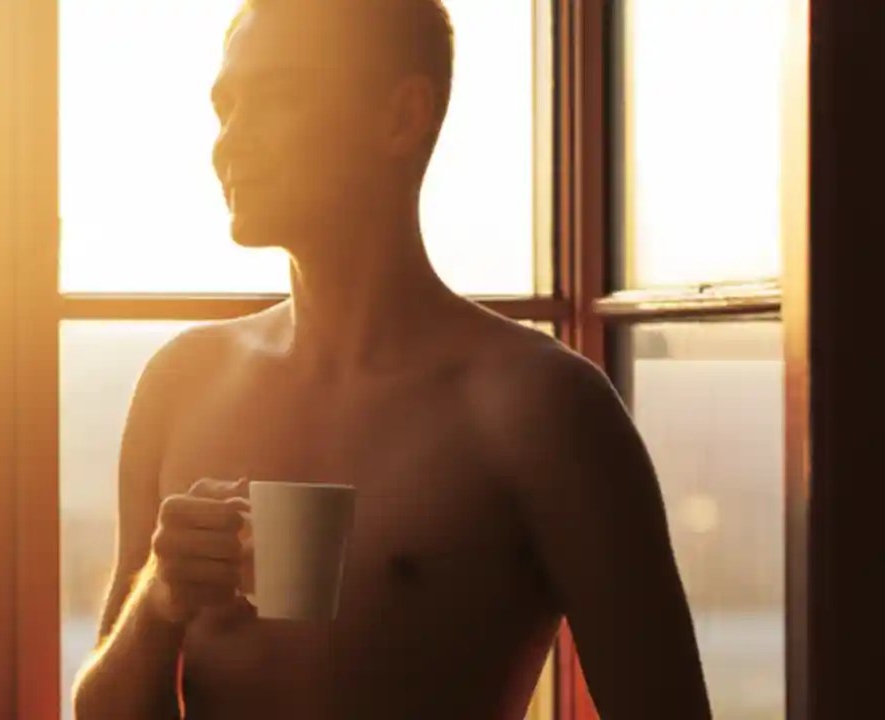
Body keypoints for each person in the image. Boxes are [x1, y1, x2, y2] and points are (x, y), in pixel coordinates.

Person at [72, 1, 711, 717]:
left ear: (400, 119)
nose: (229, 143)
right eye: (225, 106)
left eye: (275, 97)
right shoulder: (181, 382)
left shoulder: (541, 408)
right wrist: (160, 597)